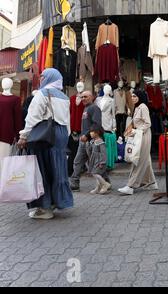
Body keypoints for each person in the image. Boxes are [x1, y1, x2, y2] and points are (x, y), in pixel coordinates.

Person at [18, 68, 73, 220]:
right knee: (58, 168)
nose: (41, 79)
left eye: (43, 77)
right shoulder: (64, 97)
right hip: (60, 134)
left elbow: (33, 117)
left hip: (45, 134)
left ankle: (45, 207)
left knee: (42, 169)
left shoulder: (42, 94)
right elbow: (67, 121)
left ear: (49, 78)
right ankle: (58, 201)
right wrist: (64, 137)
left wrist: (24, 136)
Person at [118, 90, 158, 195]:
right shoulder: (137, 107)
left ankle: (131, 186)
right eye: (132, 96)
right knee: (146, 160)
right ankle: (151, 183)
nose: (133, 98)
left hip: (143, 135)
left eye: (135, 96)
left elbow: (148, 123)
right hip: (140, 135)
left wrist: (137, 130)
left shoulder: (143, 107)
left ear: (140, 96)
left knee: (139, 160)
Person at [70, 91, 106, 192]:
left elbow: (96, 124)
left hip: (91, 141)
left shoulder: (94, 108)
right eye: (82, 97)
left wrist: (86, 135)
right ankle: (75, 183)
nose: (83, 99)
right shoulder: (86, 108)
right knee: (78, 161)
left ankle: (105, 182)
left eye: (85, 97)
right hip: (84, 141)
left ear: (91, 97)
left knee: (96, 163)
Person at [86, 125, 111, 195]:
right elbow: (90, 151)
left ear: (97, 133)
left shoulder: (100, 142)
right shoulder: (92, 141)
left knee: (95, 173)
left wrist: (102, 162)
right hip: (95, 161)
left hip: (100, 162)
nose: (90, 133)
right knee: (97, 174)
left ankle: (105, 184)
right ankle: (98, 187)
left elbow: (103, 153)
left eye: (92, 132)